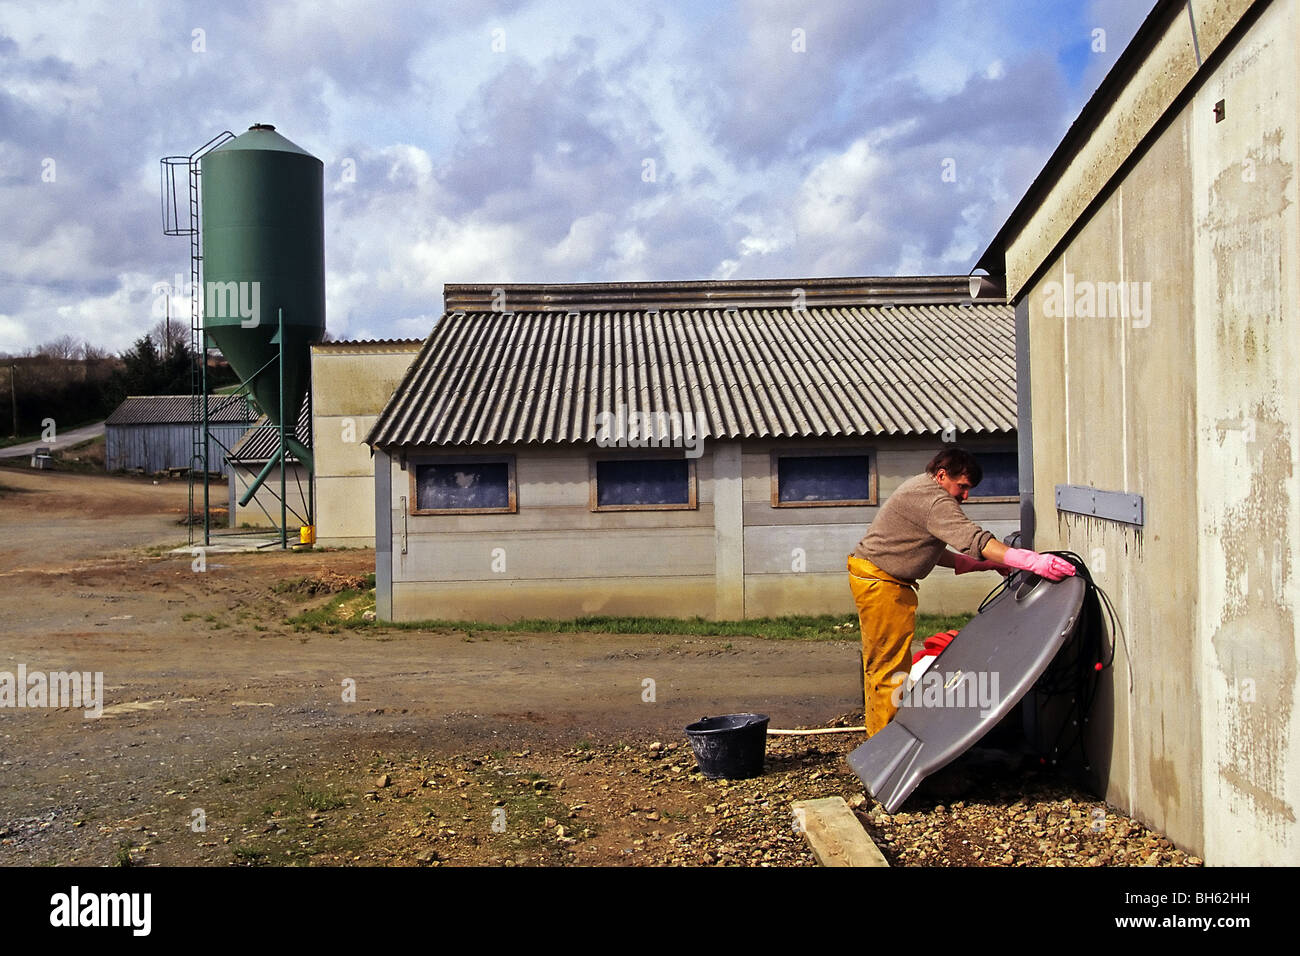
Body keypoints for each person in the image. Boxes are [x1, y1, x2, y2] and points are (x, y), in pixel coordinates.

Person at [847, 448, 1075, 736]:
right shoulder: (933, 499)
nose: (965, 495)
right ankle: (884, 750)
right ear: (942, 475)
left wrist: (986, 566)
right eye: (963, 486)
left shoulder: (921, 488)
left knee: (880, 664)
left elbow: (924, 549)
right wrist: (1031, 561)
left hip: (873, 576)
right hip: (882, 583)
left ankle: (876, 739)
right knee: (890, 668)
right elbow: (973, 538)